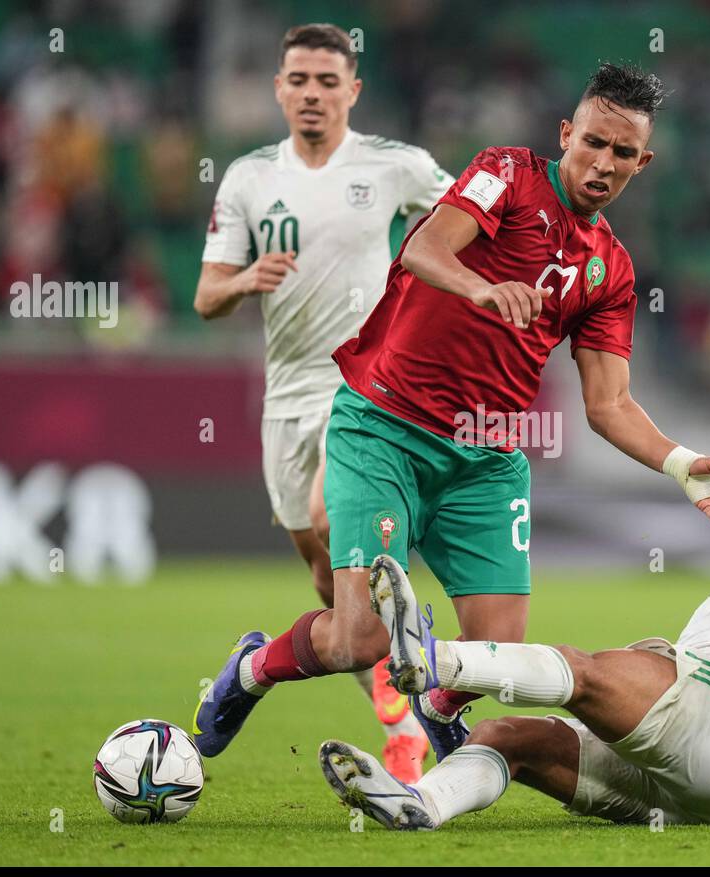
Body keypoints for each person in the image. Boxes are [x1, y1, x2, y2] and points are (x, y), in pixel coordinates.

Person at [194, 60, 710, 770]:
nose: (604, 164)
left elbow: (608, 405)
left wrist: (680, 463)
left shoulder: (611, 269)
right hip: (385, 427)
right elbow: (423, 248)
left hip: (484, 462)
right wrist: (482, 291)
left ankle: (436, 707)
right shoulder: (506, 173)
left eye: (624, 154)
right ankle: (250, 670)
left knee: (501, 658)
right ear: (567, 133)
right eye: (594, 144)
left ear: (645, 162)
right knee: (361, 642)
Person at [318, 422, 710, 829]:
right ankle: (420, 803)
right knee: (508, 738)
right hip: (691, 786)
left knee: (583, 671)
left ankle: (432, 662)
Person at [192, 23, 453, 780]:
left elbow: (473, 220)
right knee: (327, 586)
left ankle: (415, 714)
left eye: (327, 81)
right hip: (287, 394)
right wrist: (245, 281)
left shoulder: (395, 166)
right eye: (298, 80)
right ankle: (381, 704)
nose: (311, 93)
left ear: (353, 91)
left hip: (364, 385)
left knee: (340, 515)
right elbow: (207, 295)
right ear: (279, 88)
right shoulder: (247, 178)